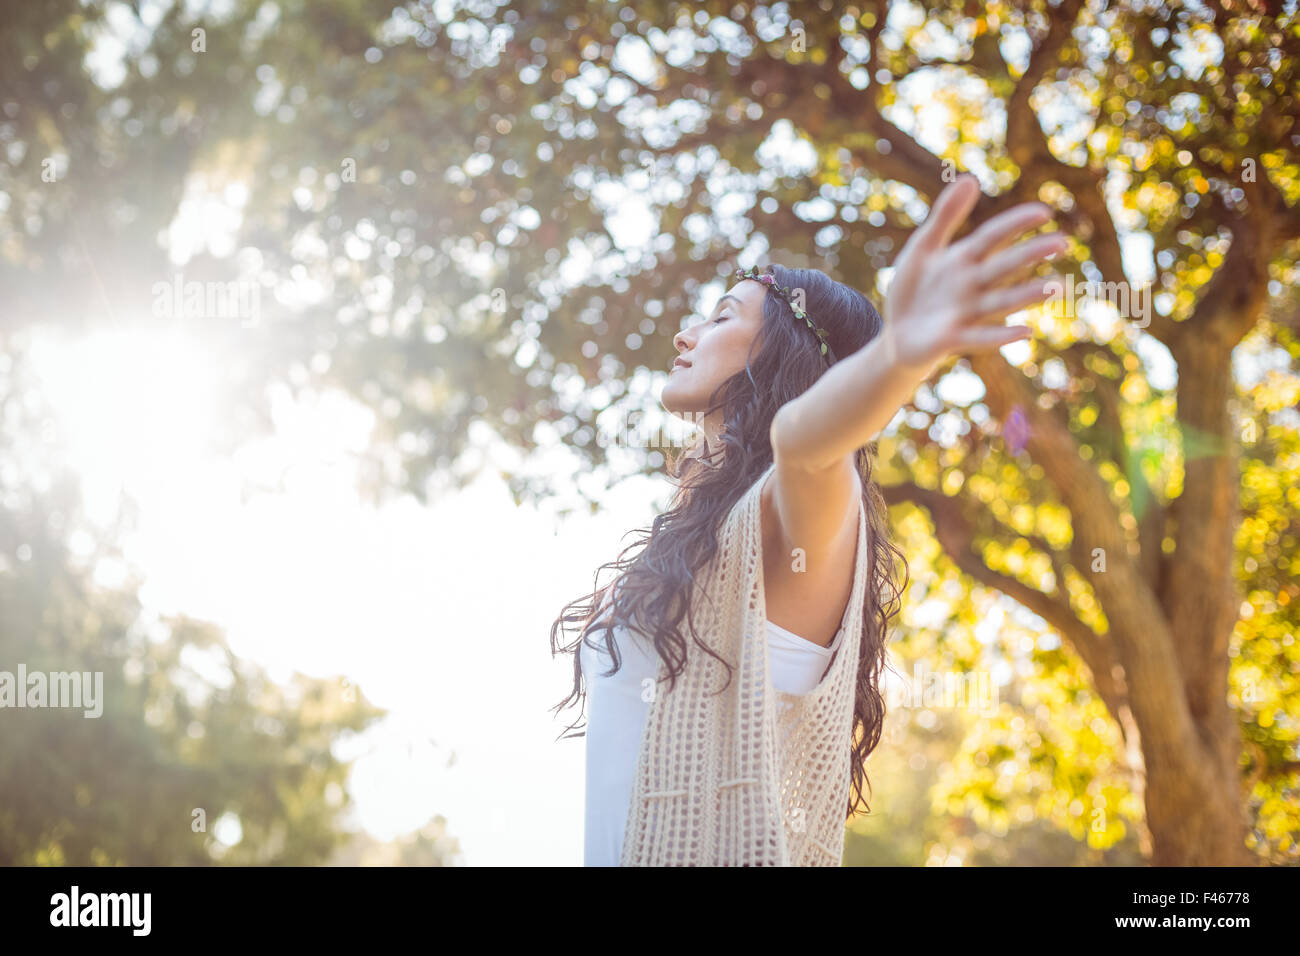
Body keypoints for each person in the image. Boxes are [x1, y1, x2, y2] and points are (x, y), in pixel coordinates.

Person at [550, 174, 1067, 865]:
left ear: (783, 352)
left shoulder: (806, 506)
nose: (685, 333)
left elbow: (806, 444)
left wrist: (900, 354)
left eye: (722, 316)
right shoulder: (702, 534)